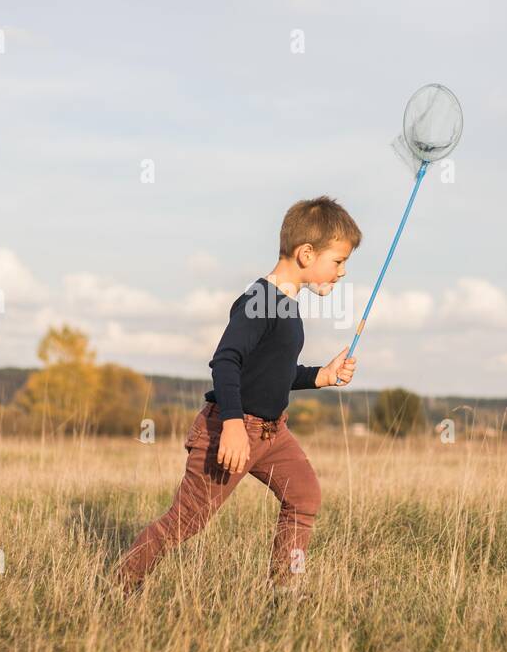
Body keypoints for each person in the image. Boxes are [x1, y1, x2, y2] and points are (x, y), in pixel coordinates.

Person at [117, 195, 362, 598]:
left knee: (303, 496)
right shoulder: (259, 300)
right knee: (186, 521)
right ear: (306, 254)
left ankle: (285, 589)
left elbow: (271, 374)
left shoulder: (286, 306)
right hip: (231, 429)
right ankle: (119, 584)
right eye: (337, 262)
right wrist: (231, 425)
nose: (341, 272)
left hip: (271, 433)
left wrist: (321, 376)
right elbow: (226, 361)